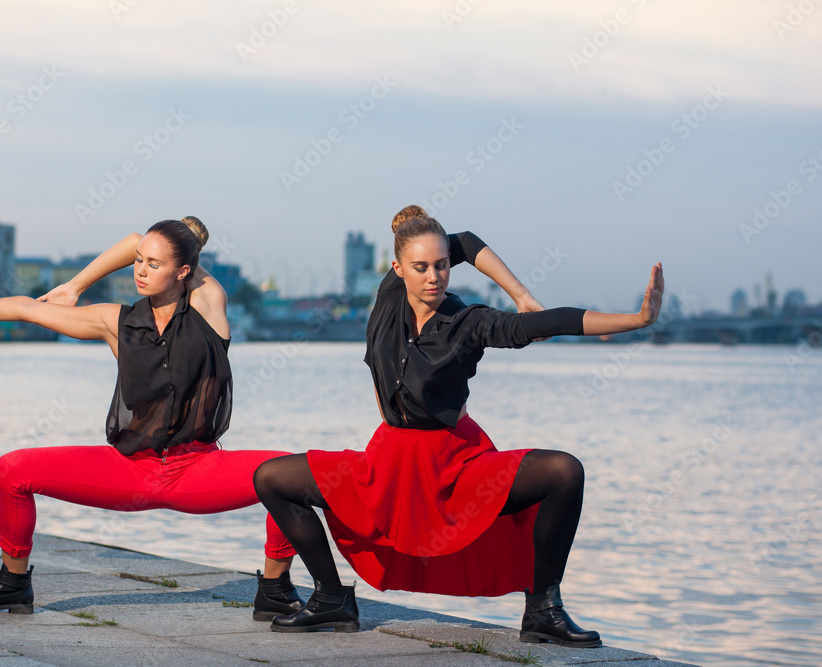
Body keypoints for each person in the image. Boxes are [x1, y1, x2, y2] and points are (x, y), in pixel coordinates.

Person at [254, 206, 663, 643]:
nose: (434, 276)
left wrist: (635, 320)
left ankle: (544, 610)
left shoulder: (467, 322)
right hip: (387, 464)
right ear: (397, 269)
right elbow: (464, 239)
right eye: (421, 267)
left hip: (454, 466)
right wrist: (432, 239)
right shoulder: (390, 296)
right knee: (272, 478)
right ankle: (332, 599)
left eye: (442, 265)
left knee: (565, 472)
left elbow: (549, 322)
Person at [0, 217, 302, 619]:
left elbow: (135, 241)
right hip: (131, 470)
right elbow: (27, 310)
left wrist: (160, 245)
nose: (141, 271)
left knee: (293, 474)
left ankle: (274, 590)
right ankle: (12, 585)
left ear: (184, 270)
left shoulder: (208, 306)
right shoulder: (115, 321)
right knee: (11, 470)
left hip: (197, 468)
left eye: (153, 263)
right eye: (138, 261)